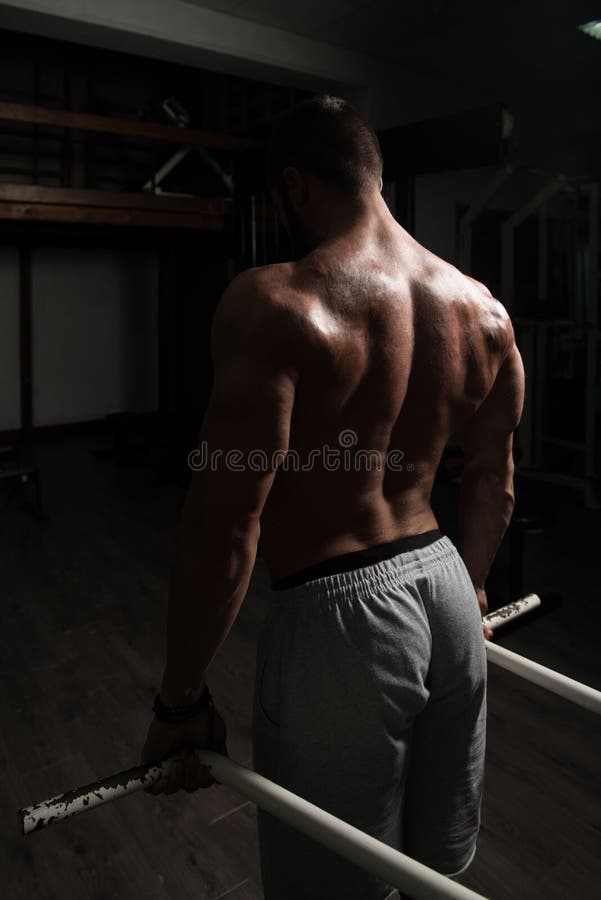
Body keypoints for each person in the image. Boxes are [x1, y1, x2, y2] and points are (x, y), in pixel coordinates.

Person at [141, 95, 525, 899]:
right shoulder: (483, 309)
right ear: (374, 177)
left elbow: (226, 528)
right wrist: (474, 584)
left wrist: (181, 700)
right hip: (446, 588)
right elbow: (493, 476)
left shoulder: (279, 302)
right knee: (431, 873)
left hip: (342, 622)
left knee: (333, 886)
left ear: (294, 185)